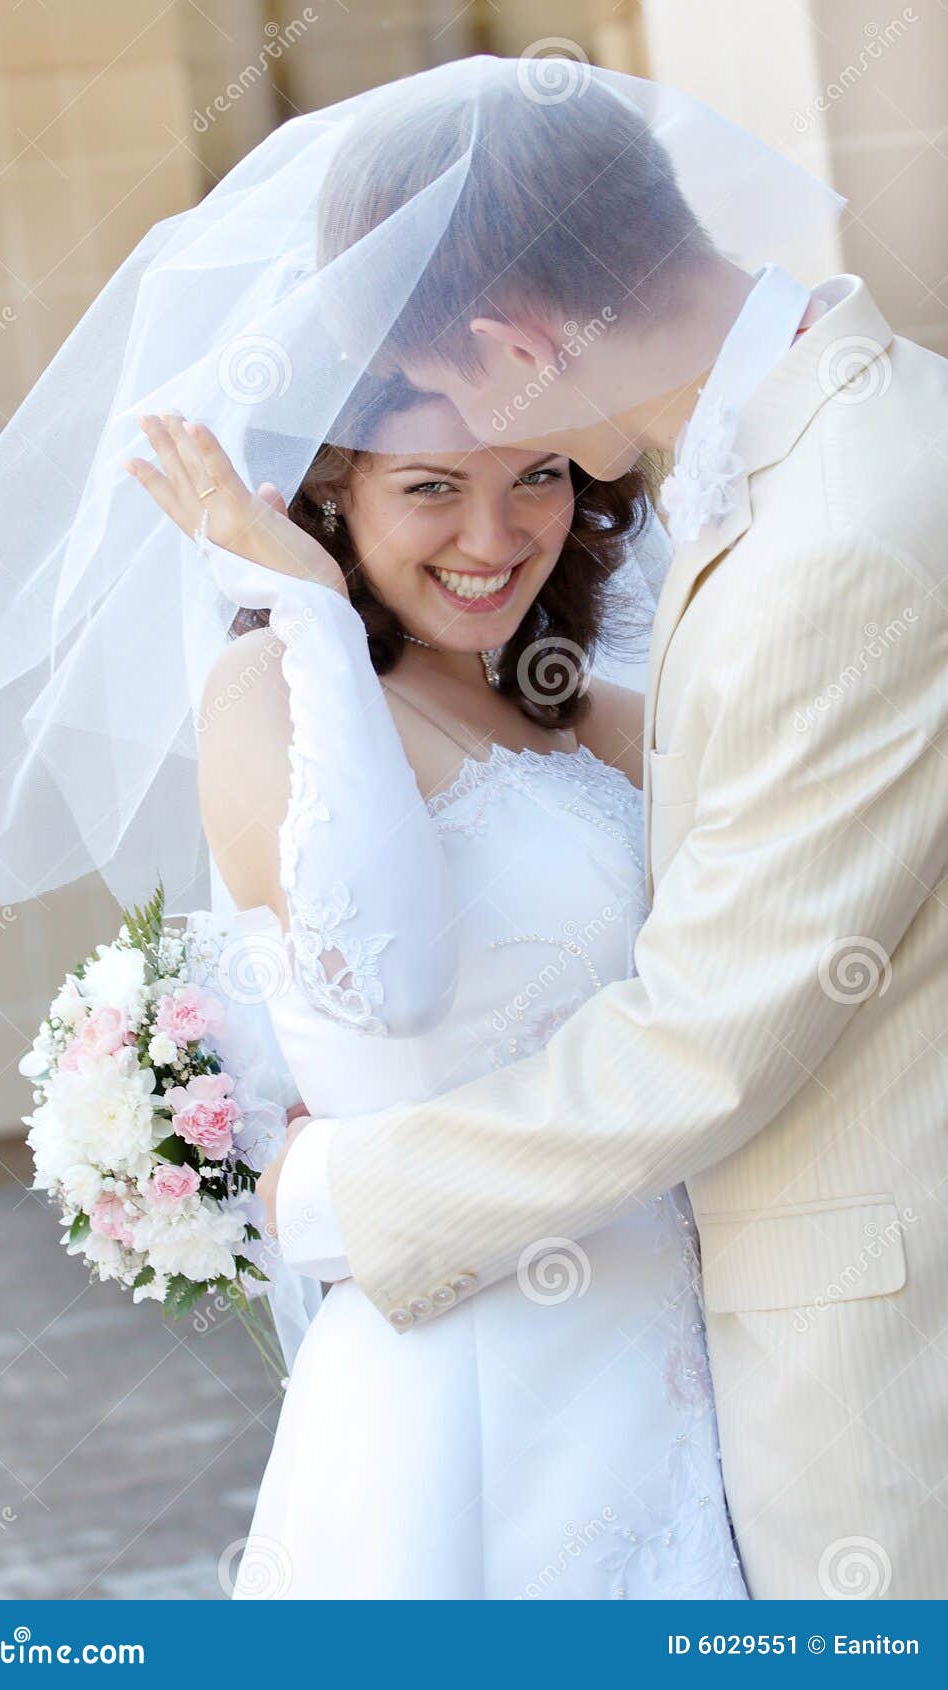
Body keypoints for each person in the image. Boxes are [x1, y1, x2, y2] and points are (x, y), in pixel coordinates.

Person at [251, 64, 948, 1600]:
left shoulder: (831, 537)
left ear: (507, 347)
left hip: (874, 1390)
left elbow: (707, 1035)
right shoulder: (856, 438)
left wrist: (327, 1196)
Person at [125, 389, 747, 1599]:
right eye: (430, 487)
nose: (495, 533)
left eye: (538, 475)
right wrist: (310, 615)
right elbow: (389, 980)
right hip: (457, 1378)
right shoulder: (267, 687)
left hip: (670, 1360)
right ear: (329, 497)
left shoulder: (573, 712)